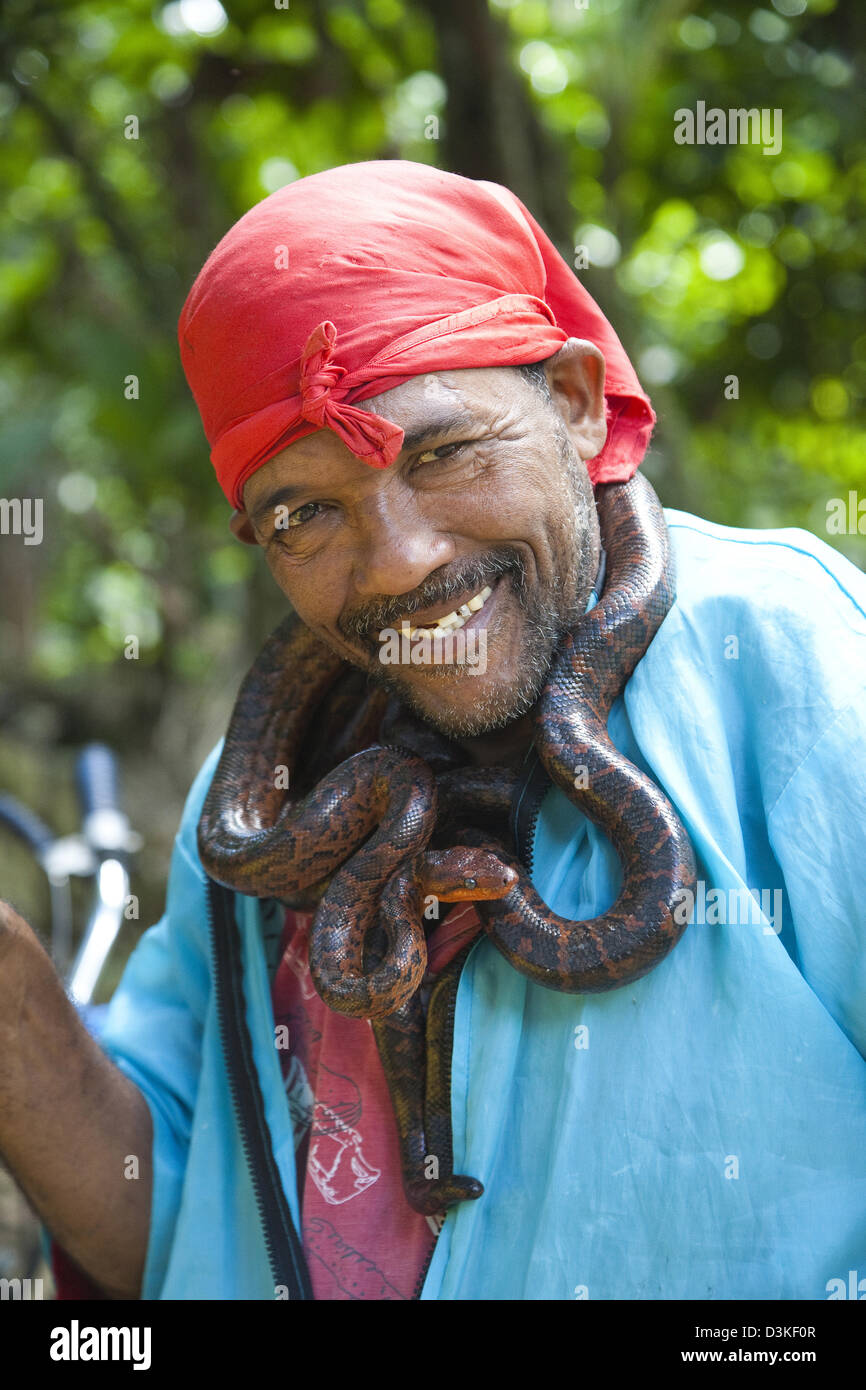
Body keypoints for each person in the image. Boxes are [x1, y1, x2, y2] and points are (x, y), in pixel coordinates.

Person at [1, 160, 864, 1301]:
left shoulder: (786, 658)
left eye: (445, 450)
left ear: (569, 397)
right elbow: (182, 1219)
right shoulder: (258, 799)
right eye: (304, 512)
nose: (401, 561)